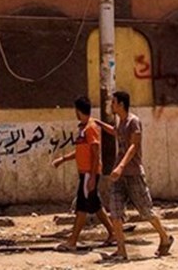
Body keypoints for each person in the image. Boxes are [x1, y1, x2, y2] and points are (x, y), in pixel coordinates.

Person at [97, 90, 174, 260]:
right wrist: (99, 124)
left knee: (146, 211)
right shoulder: (121, 122)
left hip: (133, 174)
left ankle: (165, 237)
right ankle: (121, 251)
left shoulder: (134, 122)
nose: (112, 105)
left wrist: (121, 166)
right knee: (115, 212)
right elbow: (115, 131)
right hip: (119, 176)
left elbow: (133, 146)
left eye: (114, 102)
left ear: (121, 104)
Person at [51, 95, 115, 252]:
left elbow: (95, 152)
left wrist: (92, 176)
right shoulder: (83, 128)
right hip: (86, 173)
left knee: (81, 207)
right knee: (96, 205)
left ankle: (72, 241)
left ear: (78, 110)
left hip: (88, 174)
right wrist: (63, 159)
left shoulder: (90, 128)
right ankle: (113, 233)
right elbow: (81, 151)